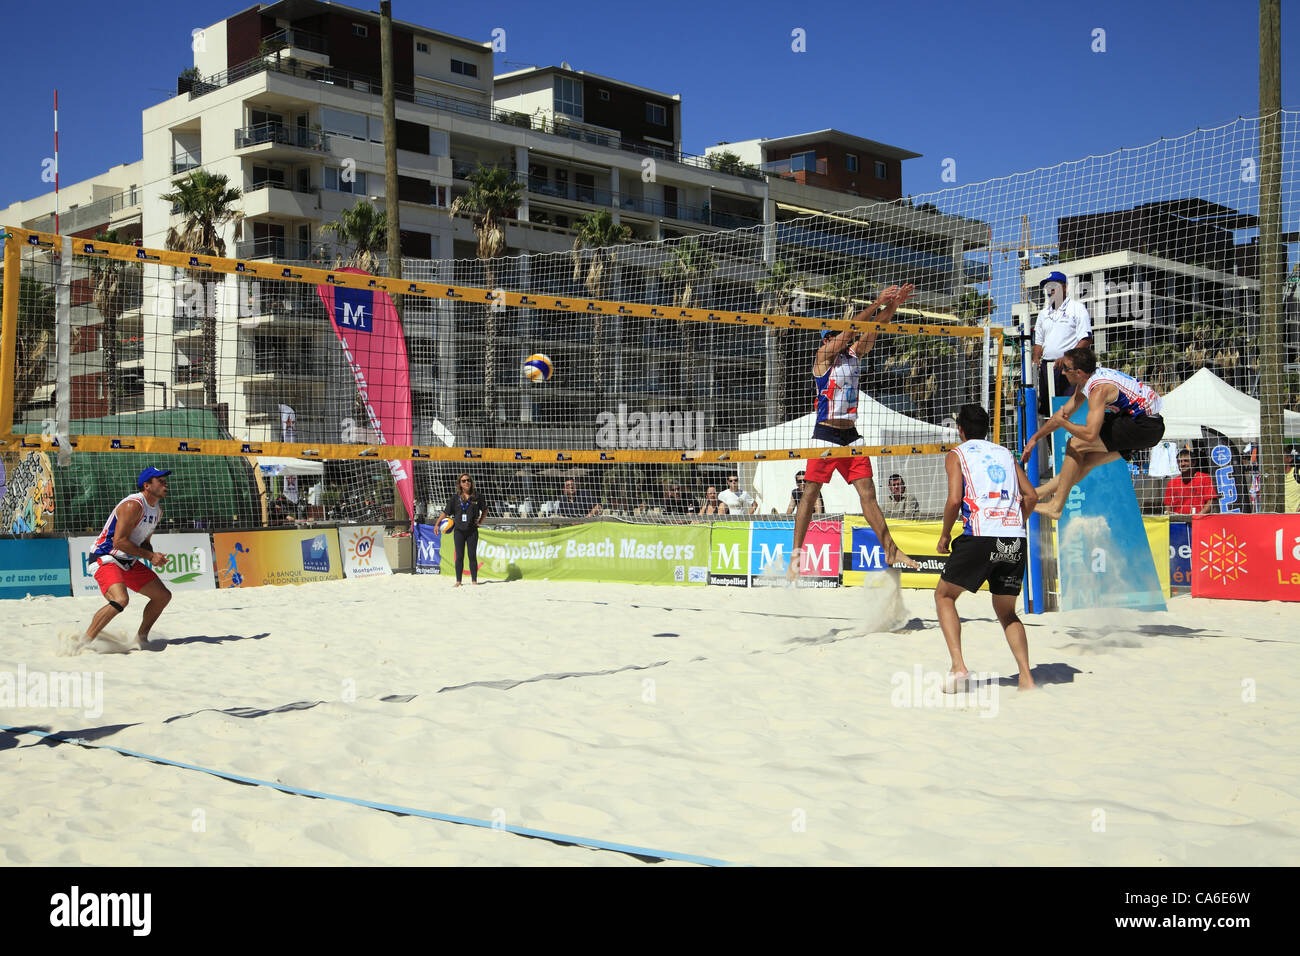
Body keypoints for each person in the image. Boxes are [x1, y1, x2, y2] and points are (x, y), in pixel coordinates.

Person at [789, 284, 920, 578]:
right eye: (829, 340)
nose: (831, 343)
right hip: (825, 435)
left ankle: (891, 548)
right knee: (809, 495)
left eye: (831, 339)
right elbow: (849, 332)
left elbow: (874, 327)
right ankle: (796, 554)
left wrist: (894, 304)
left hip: (851, 436)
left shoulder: (853, 357)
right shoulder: (822, 361)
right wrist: (877, 301)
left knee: (868, 495)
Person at [935, 405, 1038, 691]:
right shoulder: (1006, 454)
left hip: (980, 536)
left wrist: (944, 536)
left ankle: (958, 666)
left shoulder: (957, 454)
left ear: (961, 430)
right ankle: (1026, 678)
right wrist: (1014, 521)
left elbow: (955, 500)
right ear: (987, 429)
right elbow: (1030, 496)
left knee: (944, 597)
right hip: (1014, 537)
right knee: (1007, 611)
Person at [1022, 346, 1165, 519]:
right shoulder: (1087, 381)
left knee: (1075, 443)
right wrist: (1034, 439)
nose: (1062, 373)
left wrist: (1064, 424)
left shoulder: (1098, 390)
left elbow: (1089, 434)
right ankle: (1036, 494)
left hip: (1143, 425)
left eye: (1065, 368)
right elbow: (1062, 413)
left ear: (1079, 372)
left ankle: (1056, 505)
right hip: (1142, 423)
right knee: (1086, 461)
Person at [79, 466, 174, 652]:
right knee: (121, 600)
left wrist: (155, 556)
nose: (165, 484)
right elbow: (119, 542)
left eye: (165, 480)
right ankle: (82, 642)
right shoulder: (133, 505)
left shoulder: (157, 511)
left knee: (163, 596)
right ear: (147, 485)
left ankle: (141, 639)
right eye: (160, 481)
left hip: (127, 561)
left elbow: (144, 542)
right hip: (106, 556)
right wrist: (149, 556)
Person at [1031, 271, 1093, 418]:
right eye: (1047, 287)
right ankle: (1051, 441)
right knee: (1047, 410)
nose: (1050, 290)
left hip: (1070, 367)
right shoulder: (1043, 314)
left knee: (1069, 407)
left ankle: (1068, 440)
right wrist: (1035, 359)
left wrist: (1067, 359)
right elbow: (1039, 342)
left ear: (1064, 287)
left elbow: (1086, 339)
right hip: (1047, 368)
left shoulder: (1077, 308)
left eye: (1053, 286)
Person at [436, 473, 487, 586]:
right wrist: (437, 524)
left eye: (468, 480)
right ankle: (458, 581)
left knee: (472, 555)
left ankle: (474, 581)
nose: (466, 482)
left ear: (471, 482)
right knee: (459, 556)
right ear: (460, 483)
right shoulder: (455, 498)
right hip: (459, 531)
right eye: (463, 481)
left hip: (472, 530)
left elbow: (485, 510)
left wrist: (480, 522)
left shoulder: (477, 496)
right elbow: (445, 513)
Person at [1163, 449, 1216, 516]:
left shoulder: (1205, 478)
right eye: (1179, 461)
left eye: (1186, 461)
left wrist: (1199, 516)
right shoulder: (1172, 483)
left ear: (1193, 463)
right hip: (1178, 521)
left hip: (1199, 520)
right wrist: (1170, 518)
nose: (1182, 464)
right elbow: (1167, 505)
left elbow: (1210, 502)